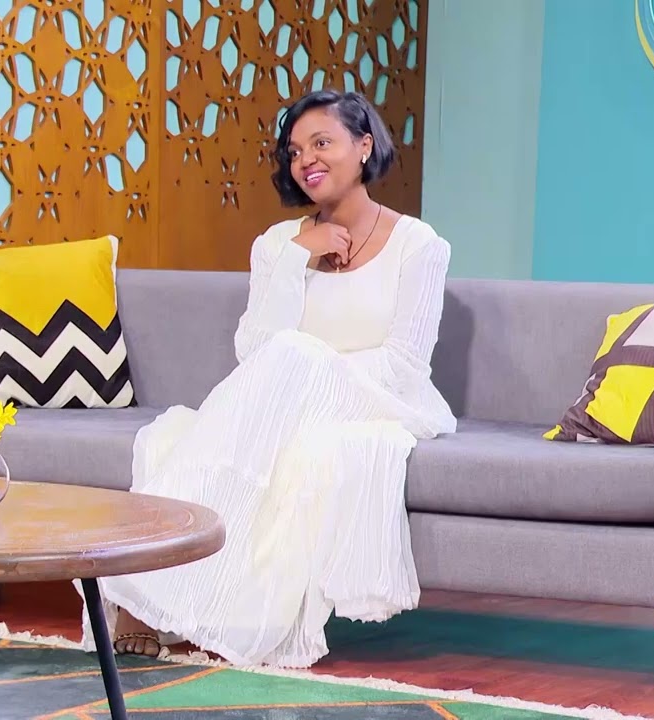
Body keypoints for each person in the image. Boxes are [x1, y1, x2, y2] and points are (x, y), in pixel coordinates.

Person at [75, 89, 458, 669]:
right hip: (282, 398)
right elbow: (255, 352)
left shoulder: (419, 245)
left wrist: (314, 369)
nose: (306, 160)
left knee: (292, 358)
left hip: (380, 400)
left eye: (322, 143)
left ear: (364, 146)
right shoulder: (278, 245)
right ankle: (173, 596)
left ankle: (144, 593)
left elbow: (405, 364)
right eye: (295, 151)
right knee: (171, 435)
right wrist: (296, 258)